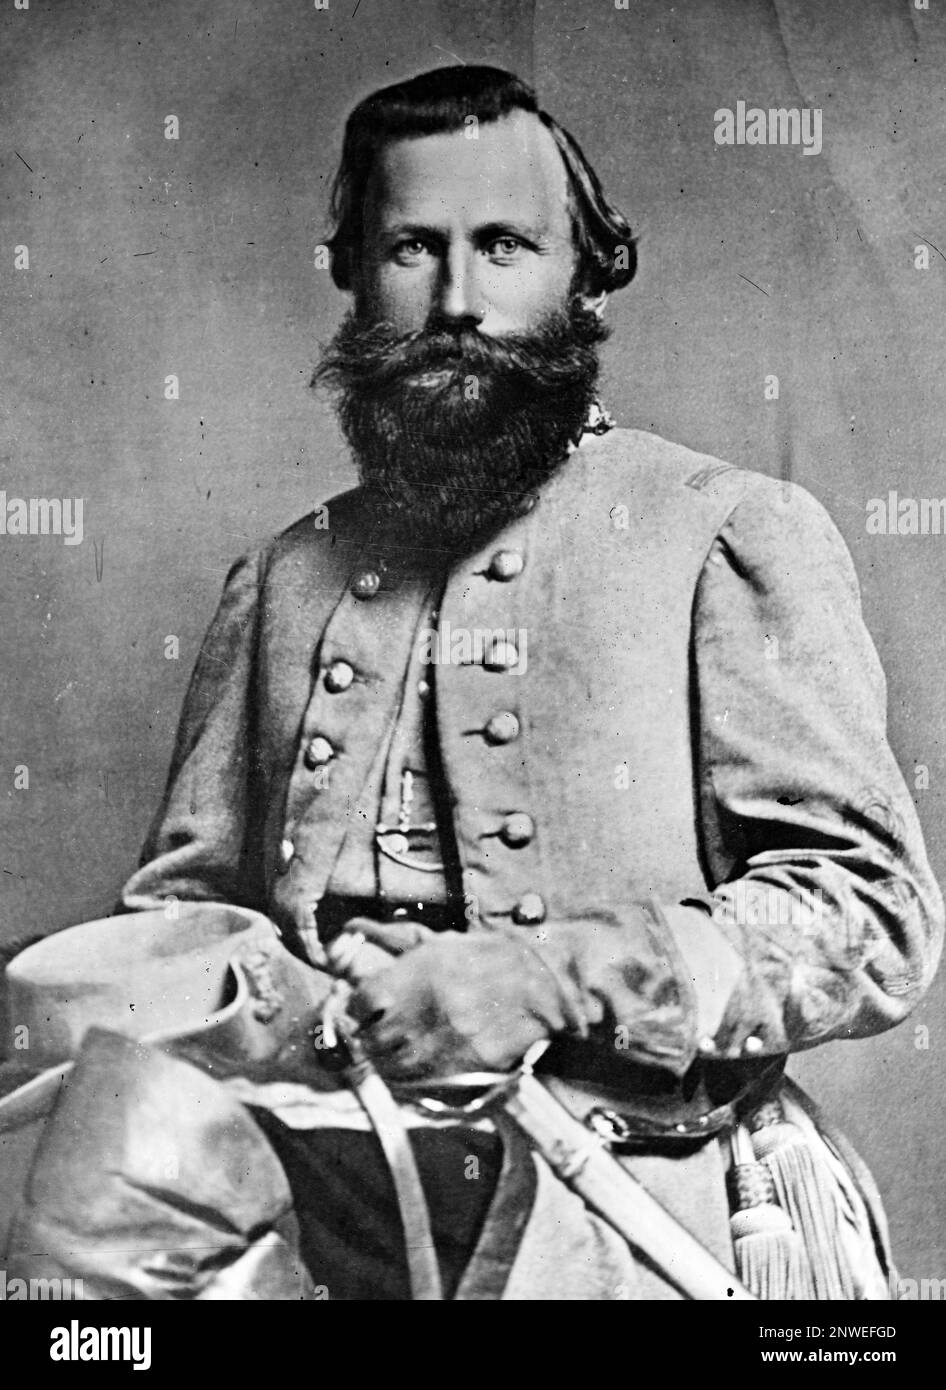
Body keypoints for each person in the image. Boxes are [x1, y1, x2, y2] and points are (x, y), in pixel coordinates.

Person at [6, 65, 943, 1301]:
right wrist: (287, 992)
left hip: (622, 1194)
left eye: (504, 246)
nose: (456, 301)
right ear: (354, 273)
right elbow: (180, 918)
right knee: (88, 1222)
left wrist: (544, 978)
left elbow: (871, 916)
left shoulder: (723, 531)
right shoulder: (285, 574)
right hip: (316, 1160)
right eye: (413, 247)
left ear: (584, 277)